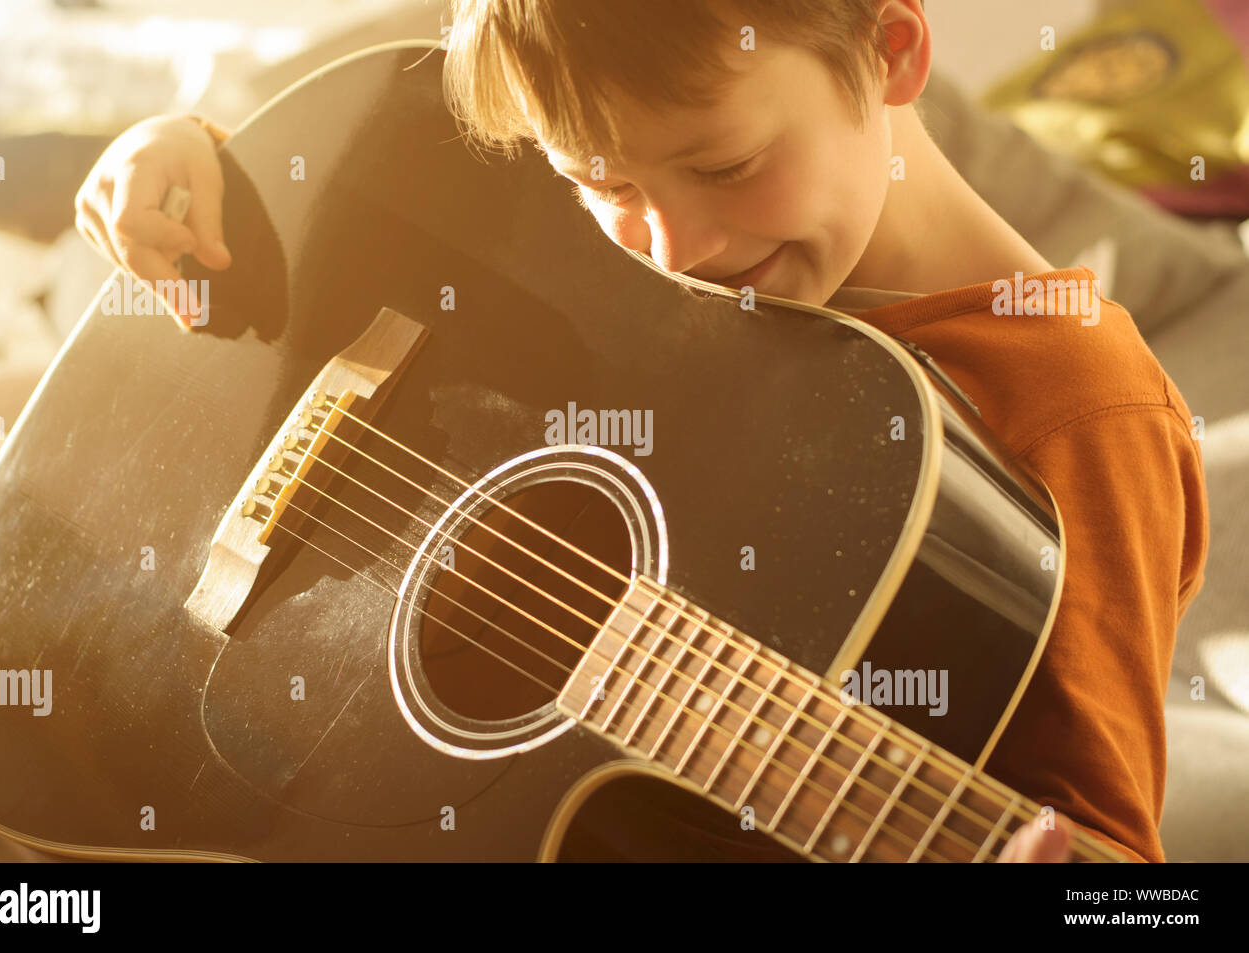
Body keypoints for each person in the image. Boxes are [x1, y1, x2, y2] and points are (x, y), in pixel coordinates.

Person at [73, 0, 1209, 862]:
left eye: (727, 165)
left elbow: (1103, 844)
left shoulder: (1072, 404)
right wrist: (201, 162)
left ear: (893, 50)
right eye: (597, 182)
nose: (672, 246)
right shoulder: (667, 224)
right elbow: (389, 200)